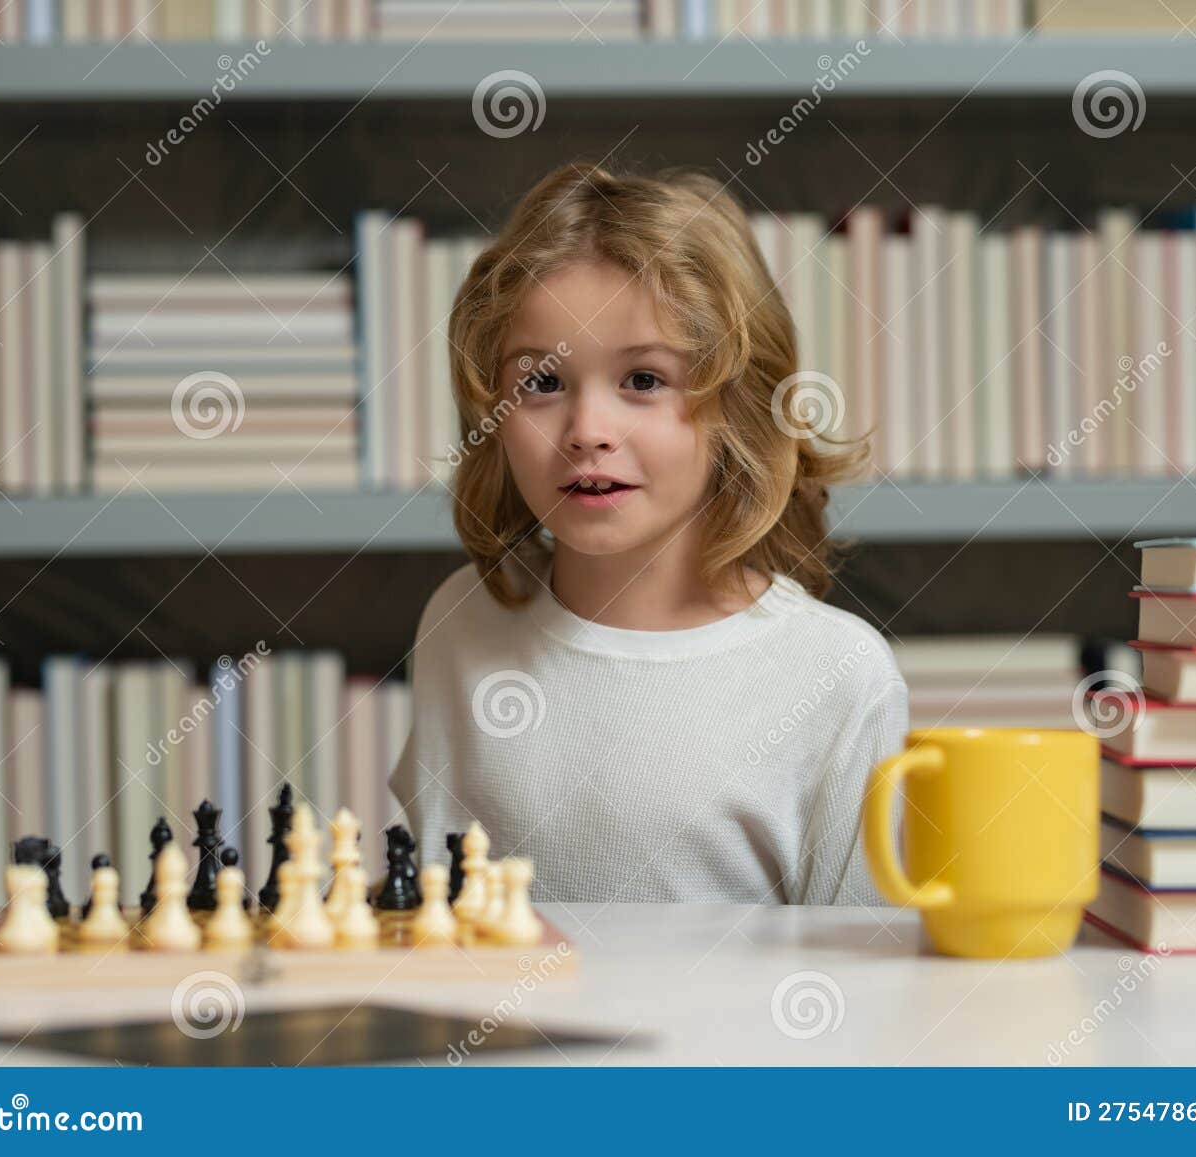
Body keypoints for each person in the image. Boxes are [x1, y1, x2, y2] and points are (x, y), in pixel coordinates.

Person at [388, 161, 906, 905]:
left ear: (737, 405)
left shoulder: (840, 674)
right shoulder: (458, 622)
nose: (588, 432)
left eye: (643, 381)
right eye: (540, 383)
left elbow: (862, 978)